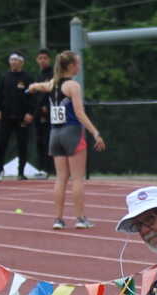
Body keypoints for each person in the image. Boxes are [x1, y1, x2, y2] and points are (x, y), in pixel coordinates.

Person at [28, 51, 105, 230]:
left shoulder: (53, 84)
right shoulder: (73, 86)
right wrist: (95, 132)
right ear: (70, 66)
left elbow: (41, 86)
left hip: (55, 134)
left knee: (60, 178)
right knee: (77, 178)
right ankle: (79, 218)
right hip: (72, 132)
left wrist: (32, 86)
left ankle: (58, 219)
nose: (79, 67)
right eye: (77, 64)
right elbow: (79, 113)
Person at [0, 52, 34, 181]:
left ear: (21, 62)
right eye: (11, 59)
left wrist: (30, 113)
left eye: (16, 60)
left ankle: (21, 172)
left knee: (22, 144)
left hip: (22, 117)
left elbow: (32, 98)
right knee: (2, 143)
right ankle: (0, 170)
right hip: (6, 116)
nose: (13, 62)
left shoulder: (27, 78)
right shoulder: (3, 77)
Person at [32, 50, 55, 176]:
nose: (42, 60)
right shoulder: (38, 75)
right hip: (38, 113)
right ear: (37, 60)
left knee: (48, 140)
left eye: (45, 58)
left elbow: (51, 91)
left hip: (50, 112)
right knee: (39, 141)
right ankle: (41, 168)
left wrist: (46, 106)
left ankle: (48, 168)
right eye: (40, 58)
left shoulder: (53, 74)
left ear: (49, 59)